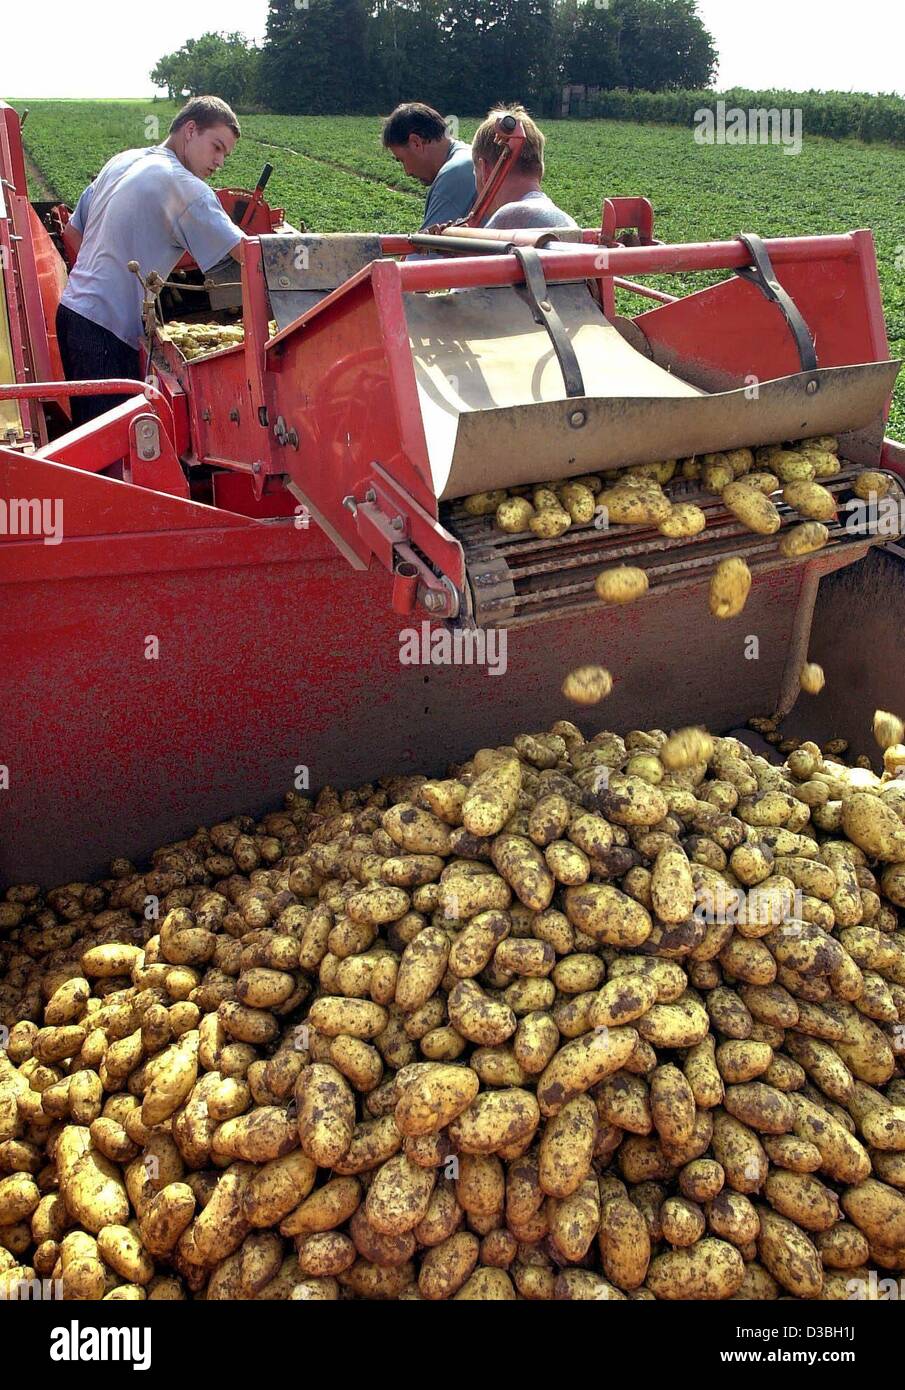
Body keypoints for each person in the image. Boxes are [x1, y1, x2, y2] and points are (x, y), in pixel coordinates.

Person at [57, 95, 247, 426]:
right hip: (105, 335)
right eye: (216, 147)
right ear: (190, 130)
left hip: (72, 315)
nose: (219, 162)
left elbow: (73, 233)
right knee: (113, 451)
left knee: (90, 435)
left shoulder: (123, 160)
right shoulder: (187, 187)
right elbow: (246, 253)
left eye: (225, 155)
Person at [472, 105, 577, 232]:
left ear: (485, 171)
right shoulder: (568, 222)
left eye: (475, 173)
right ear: (540, 169)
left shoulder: (508, 219)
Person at [382, 103, 476, 232]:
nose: (407, 172)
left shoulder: (455, 174)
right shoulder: (467, 156)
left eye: (402, 160)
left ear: (416, 143)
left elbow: (428, 249)